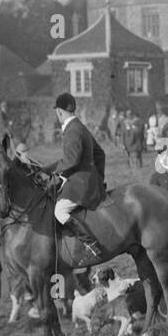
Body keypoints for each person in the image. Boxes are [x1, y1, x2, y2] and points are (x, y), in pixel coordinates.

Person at [46, 92, 106, 261]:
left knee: (59, 211)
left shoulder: (72, 129)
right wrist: (98, 178)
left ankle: (90, 243)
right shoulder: (80, 126)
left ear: (59, 111)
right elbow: (100, 154)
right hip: (86, 179)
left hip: (81, 183)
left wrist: (50, 170)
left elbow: (71, 160)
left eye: (57, 112)